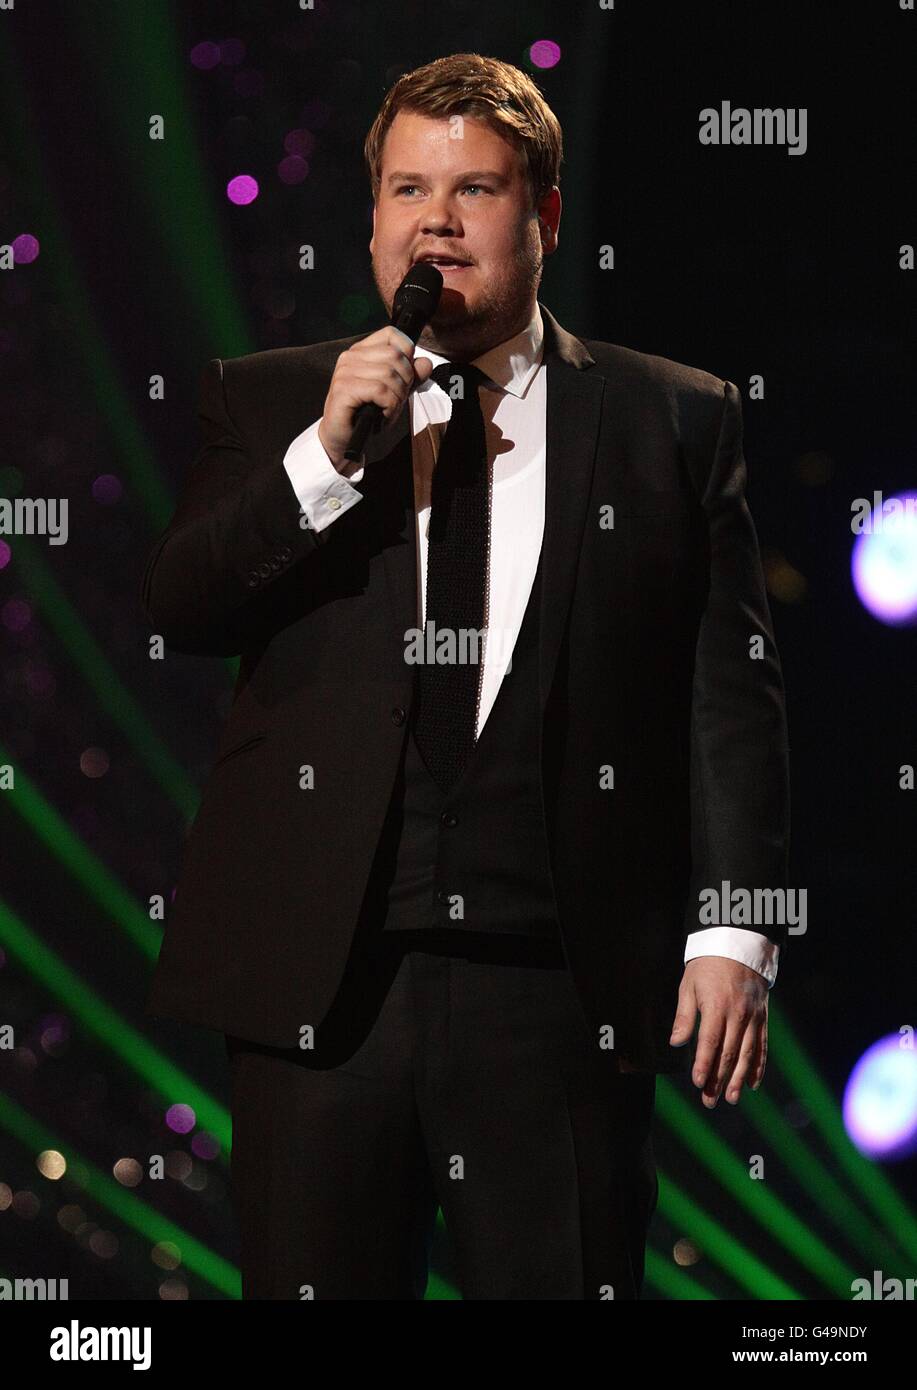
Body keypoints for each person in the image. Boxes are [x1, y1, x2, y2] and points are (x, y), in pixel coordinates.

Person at [142, 53, 790, 1300]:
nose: (433, 219)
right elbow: (184, 606)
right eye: (405, 189)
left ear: (543, 217)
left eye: (474, 188)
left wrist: (734, 927)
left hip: (557, 988)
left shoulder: (672, 420)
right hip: (321, 992)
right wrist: (325, 456)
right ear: (373, 218)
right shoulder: (276, 399)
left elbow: (728, 692)